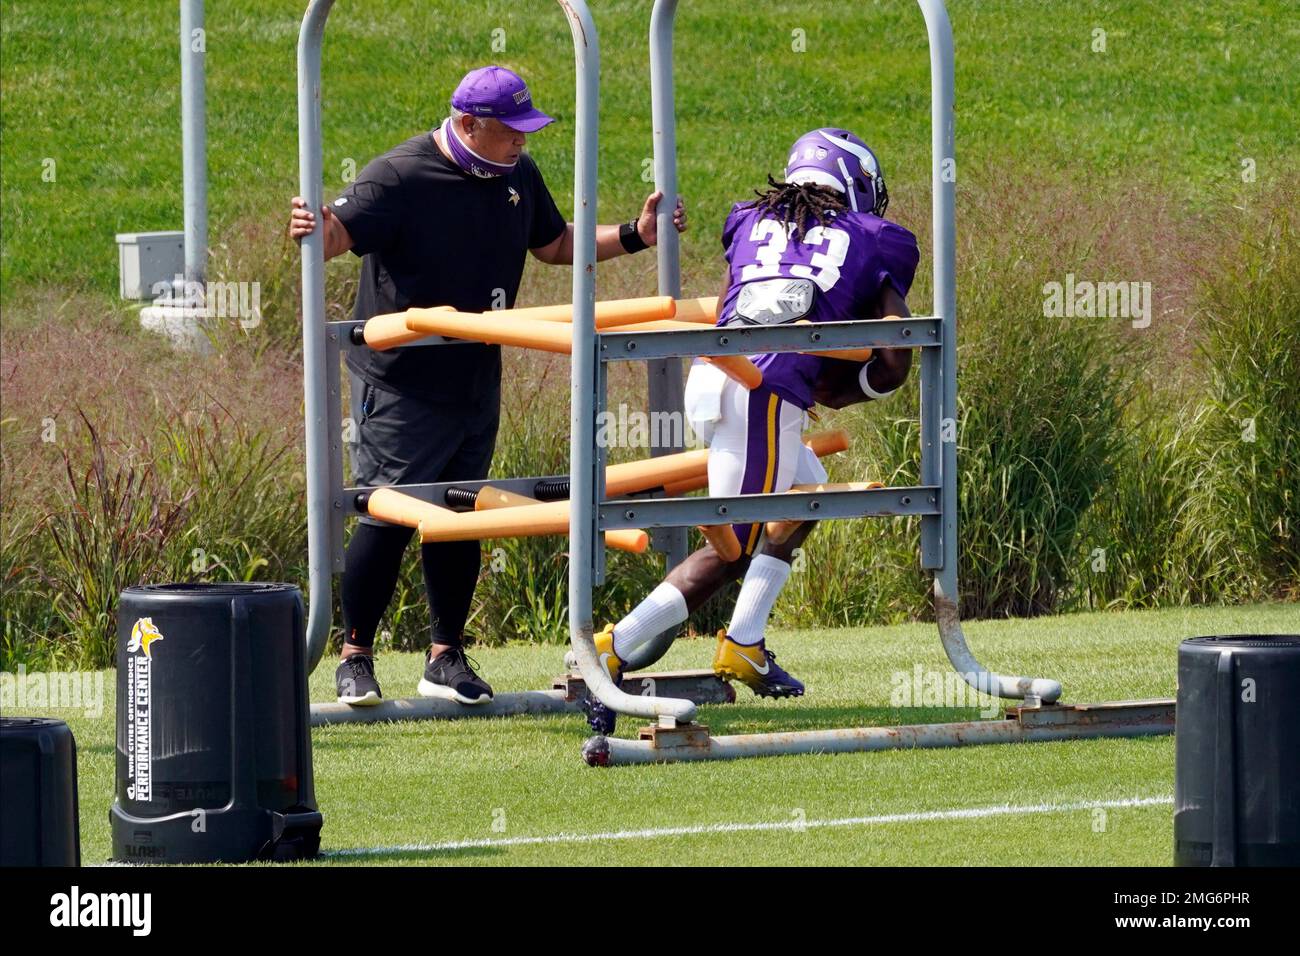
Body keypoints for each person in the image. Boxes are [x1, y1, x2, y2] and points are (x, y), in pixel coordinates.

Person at [288, 65, 686, 708]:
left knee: (464, 515)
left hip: (476, 374)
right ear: (469, 125)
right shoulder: (399, 174)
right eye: (511, 133)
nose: (522, 144)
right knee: (388, 513)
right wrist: (311, 225)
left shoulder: (516, 174)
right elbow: (334, 235)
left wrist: (637, 235)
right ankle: (355, 655)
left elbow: (556, 245)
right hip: (402, 384)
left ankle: (445, 656)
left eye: (527, 132)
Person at [585, 127, 919, 733]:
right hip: (763, 394)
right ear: (854, 181)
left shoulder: (747, 219)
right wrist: (841, 388)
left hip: (719, 374)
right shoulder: (875, 238)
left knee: (801, 499)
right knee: (732, 543)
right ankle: (611, 648)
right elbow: (896, 357)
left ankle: (744, 639)